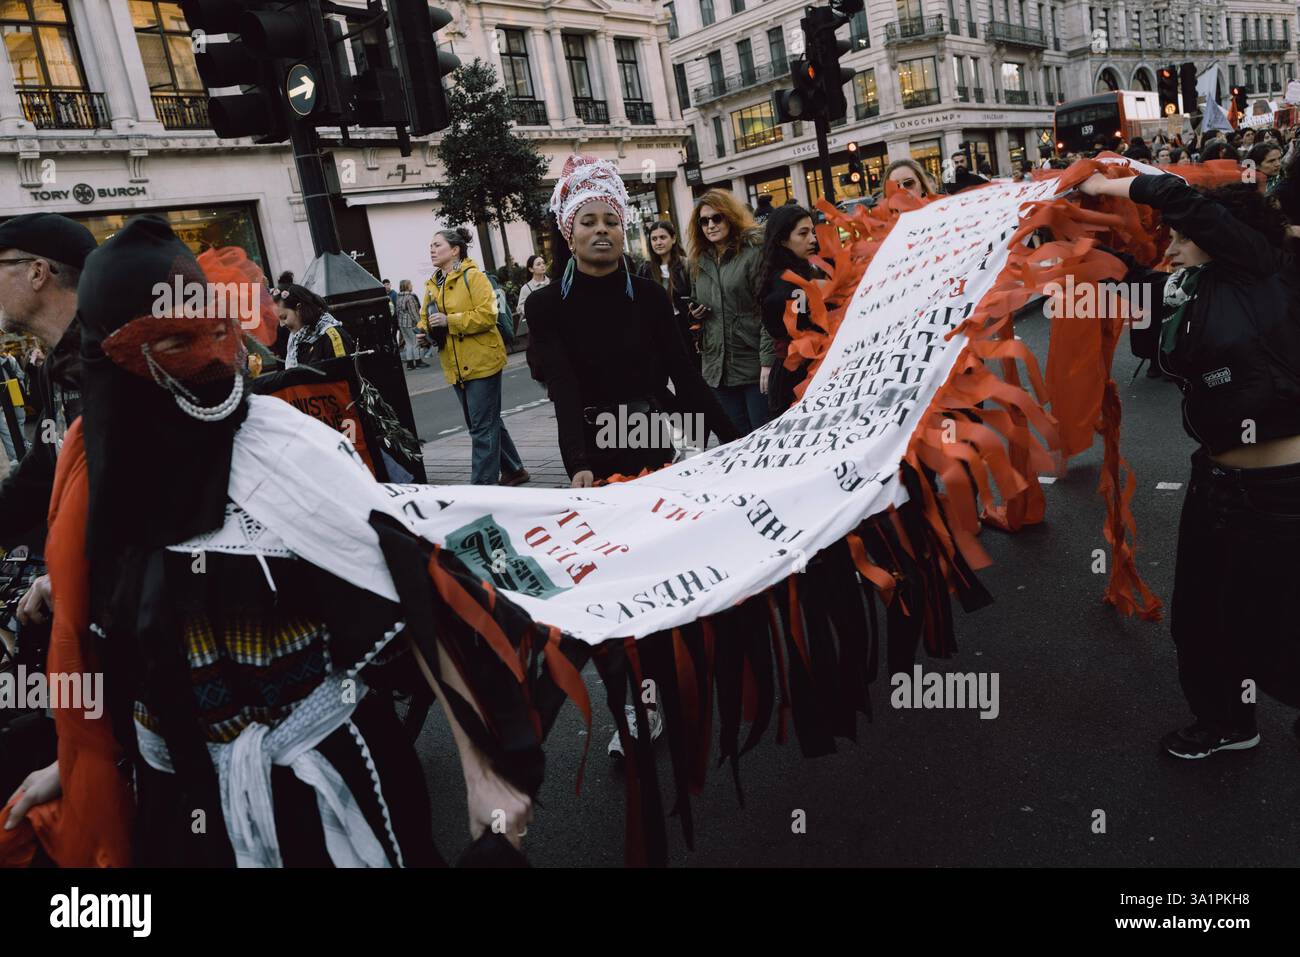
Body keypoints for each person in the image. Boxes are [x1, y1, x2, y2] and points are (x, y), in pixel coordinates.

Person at [0, 215, 536, 867]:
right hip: (185, 795)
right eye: (160, 343)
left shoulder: (283, 448)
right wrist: (76, 755)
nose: (188, 366)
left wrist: (480, 766)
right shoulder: (102, 457)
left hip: (325, 785)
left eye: (194, 337)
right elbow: (132, 642)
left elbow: (413, 583)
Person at [1080, 171, 1300, 758]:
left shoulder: (1261, 270)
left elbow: (1192, 207)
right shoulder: (1184, 293)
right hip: (1216, 481)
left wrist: (1116, 178)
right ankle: (1228, 721)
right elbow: (1123, 293)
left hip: (1282, 492)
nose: (1170, 249)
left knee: (1283, 626)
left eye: (1181, 237)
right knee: (1200, 616)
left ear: (1222, 234)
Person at [525, 155, 738, 760]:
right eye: (587, 220)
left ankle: (683, 681)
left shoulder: (648, 295)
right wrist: (578, 464)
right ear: (568, 232)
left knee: (665, 580)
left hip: (652, 443)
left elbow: (686, 381)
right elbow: (564, 390)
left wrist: (734, 435)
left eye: (612, 220)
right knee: (614, 595)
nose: (601, 230)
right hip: (597, 458)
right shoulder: (546, 307)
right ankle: (636, 708)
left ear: (626, 228)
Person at [0, 213, 96, 556]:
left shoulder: (118, 359)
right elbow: (40, 476)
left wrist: (86, 571)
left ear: (37, 272)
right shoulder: (59, 366)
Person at [422, 226, 529, 487]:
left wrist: (451, 321)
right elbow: (426, 316)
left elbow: (488, 314)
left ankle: (483, 486)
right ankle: (514, 470)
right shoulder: (434, 282)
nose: (432, 249)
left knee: (481, 427)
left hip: (483, 361)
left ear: (455, 250)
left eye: (438, 245)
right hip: (455, 364)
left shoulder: (475, 277)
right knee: (484, 422)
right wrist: (423, 332)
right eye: (431, 245)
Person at [686, 188, 773, 435]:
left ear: (730, 217)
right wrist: (695, 313)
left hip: (753, 365)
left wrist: (767, 361)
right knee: (732, 443)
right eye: (704, 221)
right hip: (717, 370)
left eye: (717, 218)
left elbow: (768, 309)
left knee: (761, 441)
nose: (710, 225)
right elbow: (698, 300)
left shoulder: (753, 251)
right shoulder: (700, 260)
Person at [757, 204, 824, 416]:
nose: (812, 239)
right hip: (796, 377)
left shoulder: (810, 271)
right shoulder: (782, 283)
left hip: (815, 370)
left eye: (813, 232)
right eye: (803, 233)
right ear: (782, 240)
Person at [635, 220, 694, 354]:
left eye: (663, 237)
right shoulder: (645, 270)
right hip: (658, 328)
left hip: (684, 327)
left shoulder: (686, 266)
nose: (658, 242)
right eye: (654, 239)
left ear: (673, 239)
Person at [272, 282, 354, 369]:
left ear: (299, 308)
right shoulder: (296, 340)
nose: (281, 324)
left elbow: (344, 376)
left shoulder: (332, 336)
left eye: (284, 317)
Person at [513, 253, 549, 343]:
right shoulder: (526, 288)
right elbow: (520, 307)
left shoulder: (551, 282)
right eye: (538, 264)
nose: (542, 266)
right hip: (537, 328)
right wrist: (533, 312)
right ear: (531, 269)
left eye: (543, 263)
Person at [395, 278, 425, 369]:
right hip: (410, 323)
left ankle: (410, 364)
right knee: (415, 342)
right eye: (410, 284)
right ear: (406, 286)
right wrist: (420, 324)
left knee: (408, 343)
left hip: (402, 324)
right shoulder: (410, 297)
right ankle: (418, 362)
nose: (412, 285)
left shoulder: (398, 297)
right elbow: (414, 313)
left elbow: (397, 312)